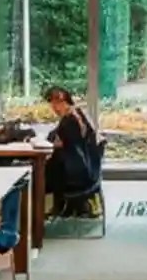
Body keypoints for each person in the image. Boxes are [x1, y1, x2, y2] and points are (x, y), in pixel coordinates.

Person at [43, 85, 102, 215]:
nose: (54, 108)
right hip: (87, 168)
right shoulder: (78, 114)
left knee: (40, 173)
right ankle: (63, 206)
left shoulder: (70, 121)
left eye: (56, 104)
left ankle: (42, 211)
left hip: (76, 174)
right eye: (52, 104)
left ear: (64, 101)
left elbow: (59, 142)